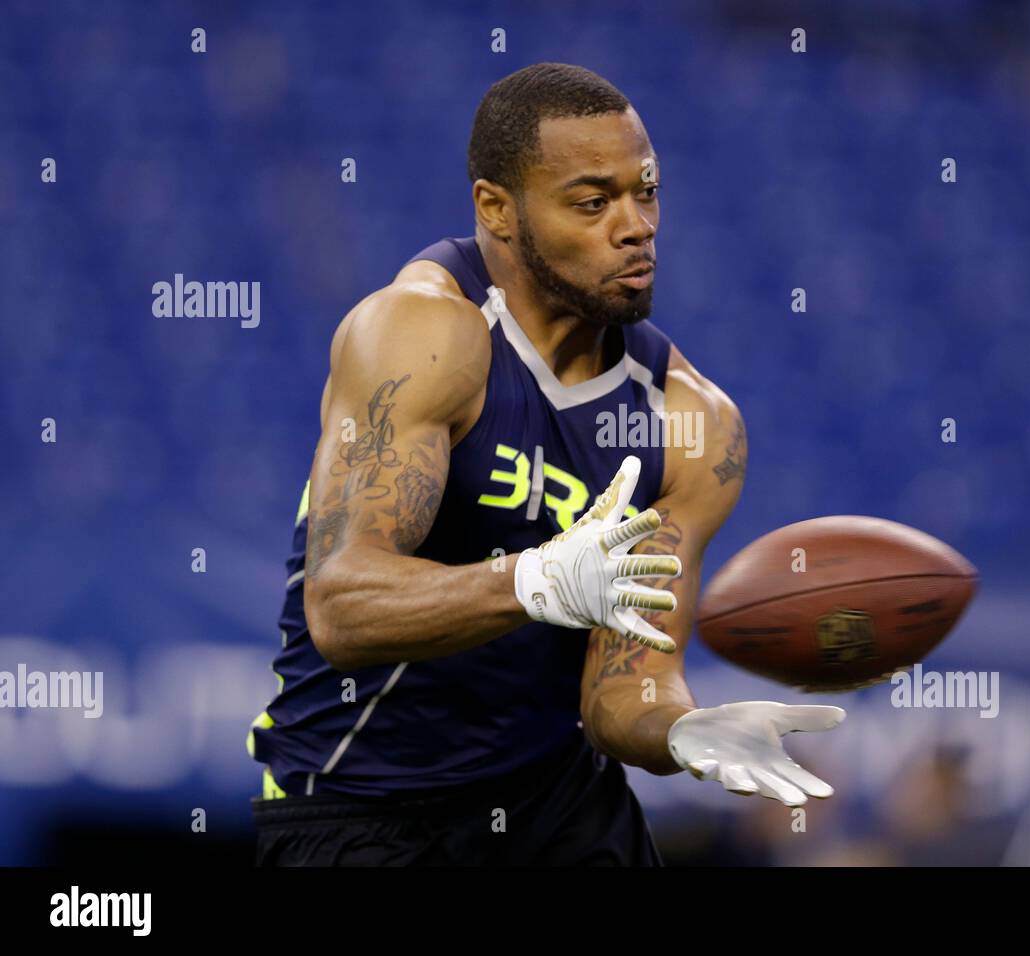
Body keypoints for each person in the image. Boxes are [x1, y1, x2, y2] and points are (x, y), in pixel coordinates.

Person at [248, 62, 844, 866]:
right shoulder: (424, 336)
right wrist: (537, 583)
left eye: (647, 191)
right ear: (496, 208)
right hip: (363, 802)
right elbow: (342, 607)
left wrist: (680, 729)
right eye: (593, 202)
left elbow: (621, 690)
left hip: (555, 800)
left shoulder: (693, 424)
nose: (635, 226)